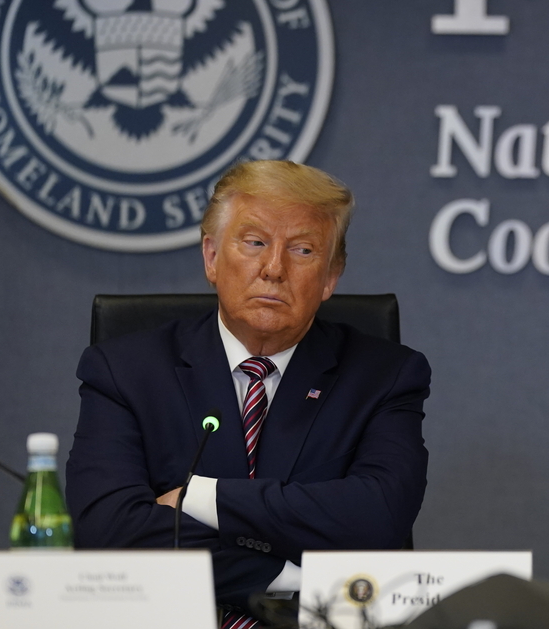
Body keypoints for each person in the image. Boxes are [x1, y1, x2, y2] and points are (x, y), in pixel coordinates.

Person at [66, 160, 430, 615]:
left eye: (302, 250)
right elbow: (108, 532)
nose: (273, 268)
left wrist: (201, 497)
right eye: (254, 242)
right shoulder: (125, 371)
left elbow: (378, 518)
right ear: (212, 257)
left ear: (331, 277)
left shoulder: (384, 377)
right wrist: (284, 578)